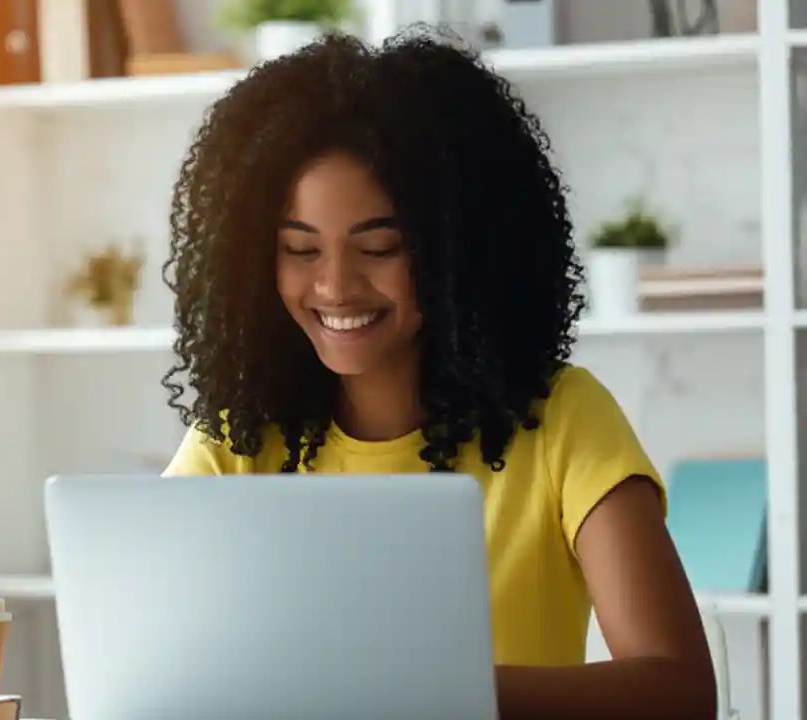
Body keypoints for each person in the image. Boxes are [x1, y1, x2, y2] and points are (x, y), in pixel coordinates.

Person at [159, 27, 716, 720]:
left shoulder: (560, 420)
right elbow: (154, 668)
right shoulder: (235, 441)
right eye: (300, 251)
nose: (335, 286)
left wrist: (425, 690)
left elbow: (678, 690)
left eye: (379, 247)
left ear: (461, 249)